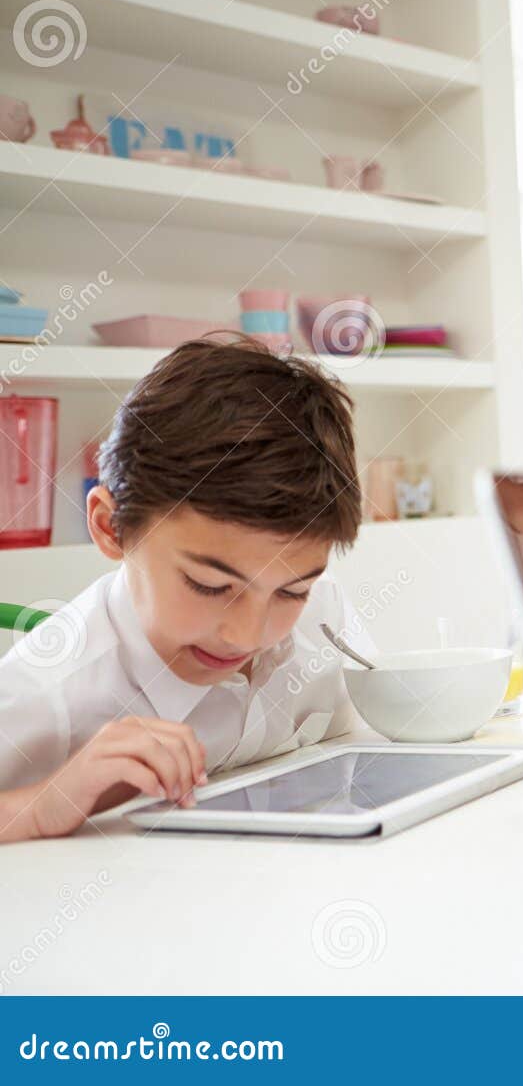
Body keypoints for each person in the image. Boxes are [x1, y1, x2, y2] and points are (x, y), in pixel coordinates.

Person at [0, 337, 369, 842]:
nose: (246, 636)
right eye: (210, 585)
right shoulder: (44, 696)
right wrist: (40, 807)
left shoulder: (324, 622)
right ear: (111, 528)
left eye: (291, 591)